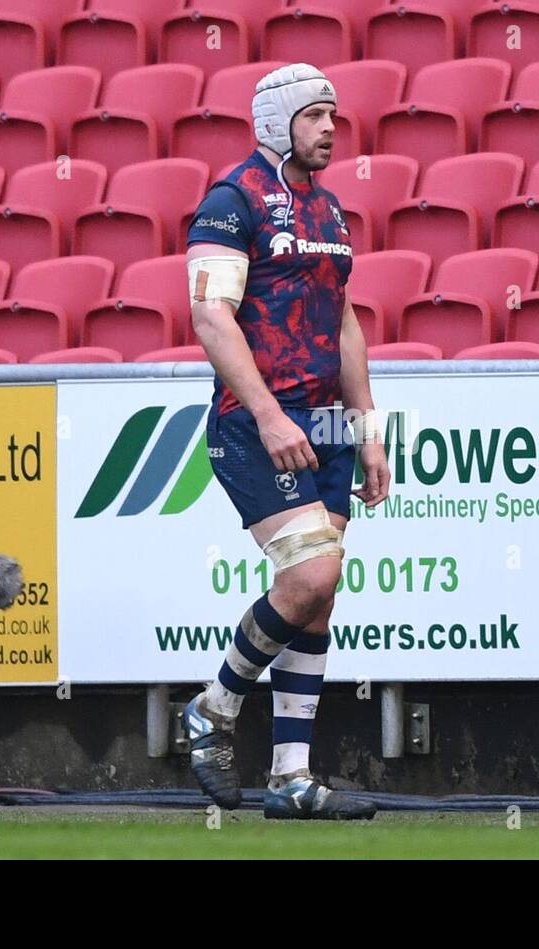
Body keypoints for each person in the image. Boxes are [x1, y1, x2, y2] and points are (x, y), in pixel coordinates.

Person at [180, 63, 390, 819]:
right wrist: (269, 414)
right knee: (307, 578)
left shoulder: (331, 211)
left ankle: (291, 776)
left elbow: (345, 325)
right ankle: (214, 706)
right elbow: (211, 317)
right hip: (257, 423)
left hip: (329, 424)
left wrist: (368, 428)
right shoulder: (230, 201)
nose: (329, 127)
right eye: (313, 115)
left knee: (321, 595)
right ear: (275, 121)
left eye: (333, 114)